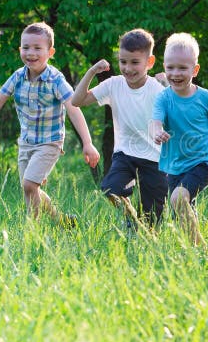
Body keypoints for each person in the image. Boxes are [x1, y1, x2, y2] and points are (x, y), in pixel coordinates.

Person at [0, 22, 100, 225]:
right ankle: (61, 221)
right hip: (26, 142)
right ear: (20, 50)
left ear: (50, 52)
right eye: (26, 47)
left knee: (29, 185)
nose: (31, 53)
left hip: (50, 142)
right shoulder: (18, 77)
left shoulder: (56, 80)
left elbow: (74, 108)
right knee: (29, 188)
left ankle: (32, 230)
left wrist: (88, 142)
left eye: (37, 48)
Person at [71, 28, 168, 230]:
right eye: (123, 62)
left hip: (155, 158)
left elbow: (178, 114)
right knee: (111, 189)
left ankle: (143, 232)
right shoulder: (114, 84)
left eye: (135, 62)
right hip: (125, 154)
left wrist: (169, 85)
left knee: (152, 220)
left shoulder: (157, 90)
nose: (128, 68)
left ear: (149, 62)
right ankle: (131, 221)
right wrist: (92, 71)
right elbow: (77, 101)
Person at [150, 33, 208, 246]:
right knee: (182, 209)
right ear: (164, 67)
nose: (175, 73)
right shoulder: (163, 98)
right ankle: (194, 249)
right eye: (170, 68)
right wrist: (157, 132)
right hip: (174, 166)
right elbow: (156, 121)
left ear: (195, 70)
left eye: (182, 68)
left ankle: (201, 247)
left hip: (202, 162)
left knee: (178, 199)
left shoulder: (207, 99)